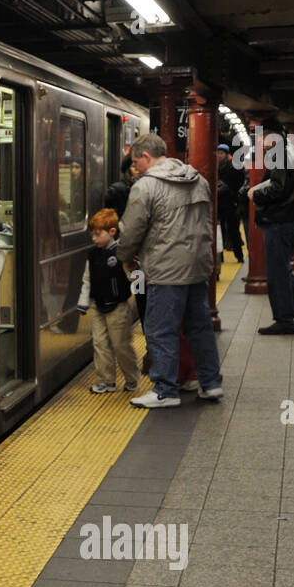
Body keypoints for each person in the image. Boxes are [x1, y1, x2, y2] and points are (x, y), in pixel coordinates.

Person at [117, 133, 223, 408]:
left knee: (160, 329)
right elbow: (209, 222)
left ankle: (165, 390)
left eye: (136, 161)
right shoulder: (198, 180)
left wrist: (125, 257)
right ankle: (210, 384)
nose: (135, 167)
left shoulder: (146, 186)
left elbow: (131, 230)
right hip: (197, 267)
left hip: (166, 269)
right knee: (199, 328)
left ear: (146, 157)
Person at [250, 117, 294, 335]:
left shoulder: (280, 154)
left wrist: (255, 194)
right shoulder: (290, 152)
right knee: (283, 271)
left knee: (277, 273)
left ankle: (285, 319)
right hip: (288, 220)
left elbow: (278, 188)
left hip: (279, 221)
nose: (260, 140)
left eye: (262, 135)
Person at [77, 208, 140, 394]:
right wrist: (83, 302)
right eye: (92, 235)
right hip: (97, 305)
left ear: (112, 232)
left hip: (118, 306)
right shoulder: (93, 255)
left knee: (121, 344)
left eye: (98, 235)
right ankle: (106, 380)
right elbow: (87, 279)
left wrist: (135, 275)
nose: (94, 239)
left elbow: (132, 276)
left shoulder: (122, 253)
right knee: (100, 344)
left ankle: (131, 377)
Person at [215, 143, 245, 264]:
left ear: (227, 155)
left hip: (231, 203)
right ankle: (219, 257)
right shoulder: (215, 167)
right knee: (219, 232)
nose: (219, 156)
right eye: (218, 153)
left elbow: (239, 182)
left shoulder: (234, 167)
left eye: (221, 153)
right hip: (219, 203)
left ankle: (239, 255)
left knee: (233, 230)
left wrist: (232, 192)